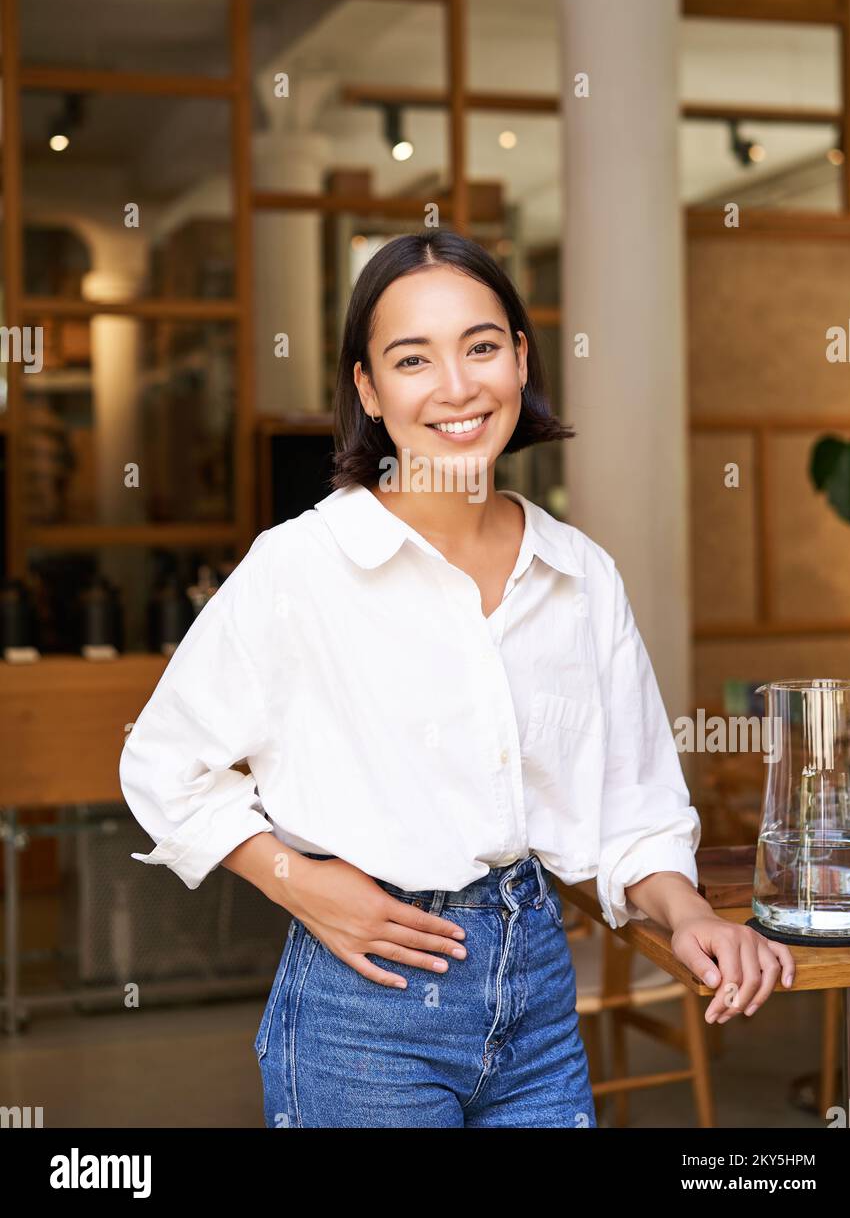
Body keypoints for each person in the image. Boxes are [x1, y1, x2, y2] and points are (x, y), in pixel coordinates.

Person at [119, 230, 796, 1129]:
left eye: (482, 346)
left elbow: (631, 814)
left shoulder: (579, 574)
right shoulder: (301, 568)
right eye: (412, 358)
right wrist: (298, 880)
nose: (457, 386)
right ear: (368, 388)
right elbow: (162, 764)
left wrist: (688, 913)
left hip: (538, 996)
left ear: (521, 358)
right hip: (366, 1007)